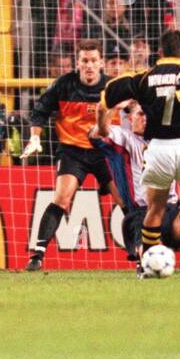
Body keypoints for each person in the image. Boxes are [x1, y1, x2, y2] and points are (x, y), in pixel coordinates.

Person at [97, 28, 180, 276]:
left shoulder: (144, 78)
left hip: (156, 148)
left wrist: (104, 124)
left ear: (159, 52)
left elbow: (105, 101)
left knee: (154, 209)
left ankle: (145, 264)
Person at [22, 38, 112, 271]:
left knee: (125, 200)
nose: (89, 66)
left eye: (93, 61)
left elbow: (134, 109)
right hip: (73, 151)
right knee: (62, 198)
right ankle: (37, 255)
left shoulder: (113, 87)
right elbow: (39, 111)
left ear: (101, 63)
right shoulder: (64, 85)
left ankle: (139, 252)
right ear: (77, 63)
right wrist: (34, 137)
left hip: (105, 152)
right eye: (84, 61)